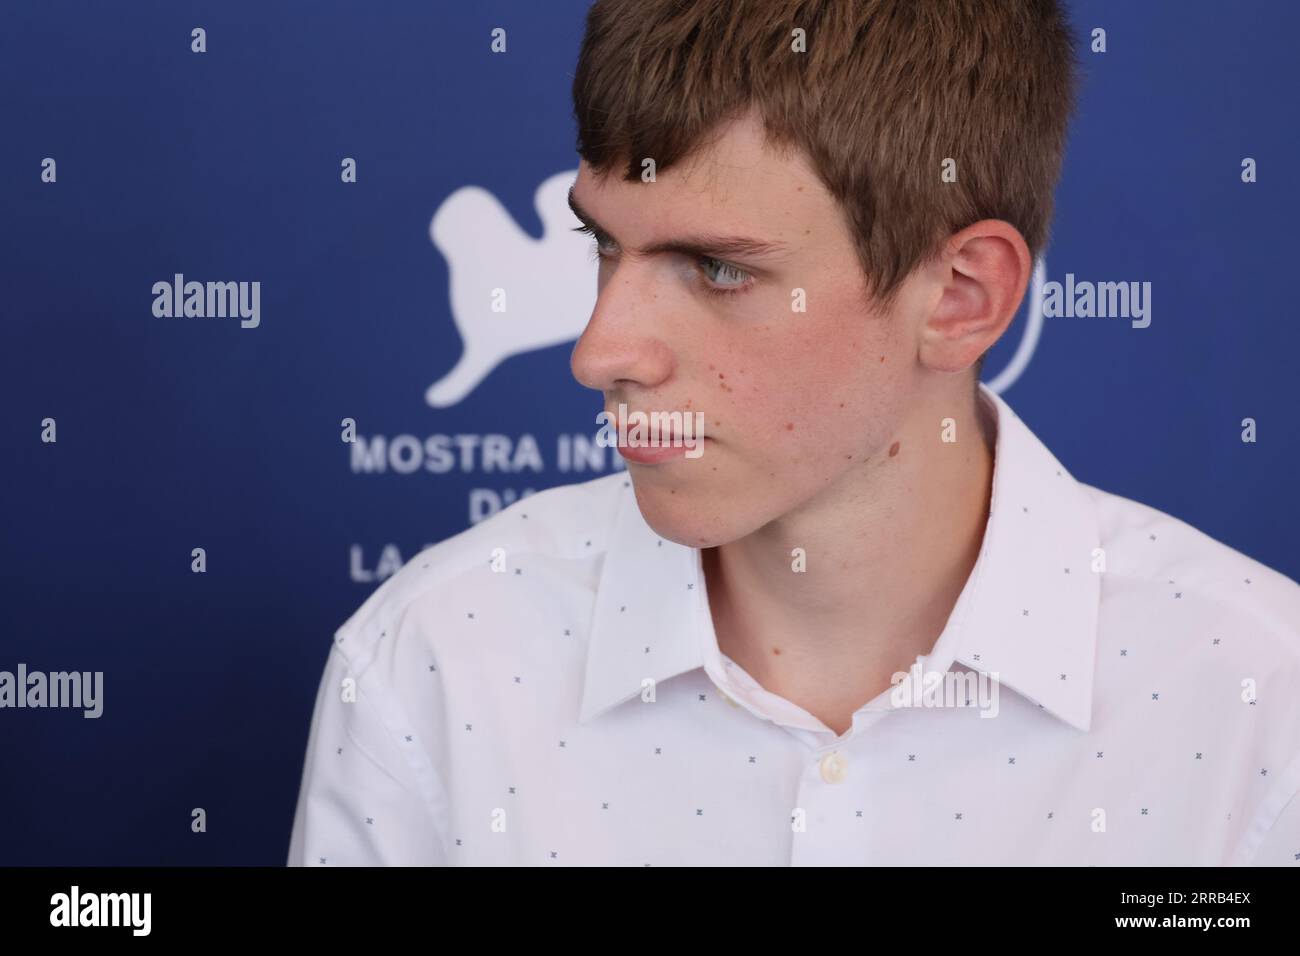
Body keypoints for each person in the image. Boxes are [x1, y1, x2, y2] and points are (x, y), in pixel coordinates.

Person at [288, 0, 1300, 866]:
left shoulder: (1260, 703)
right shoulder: (434, 659)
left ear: (958, 297)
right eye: (602, 245)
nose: (599, 352)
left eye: (719, 270)